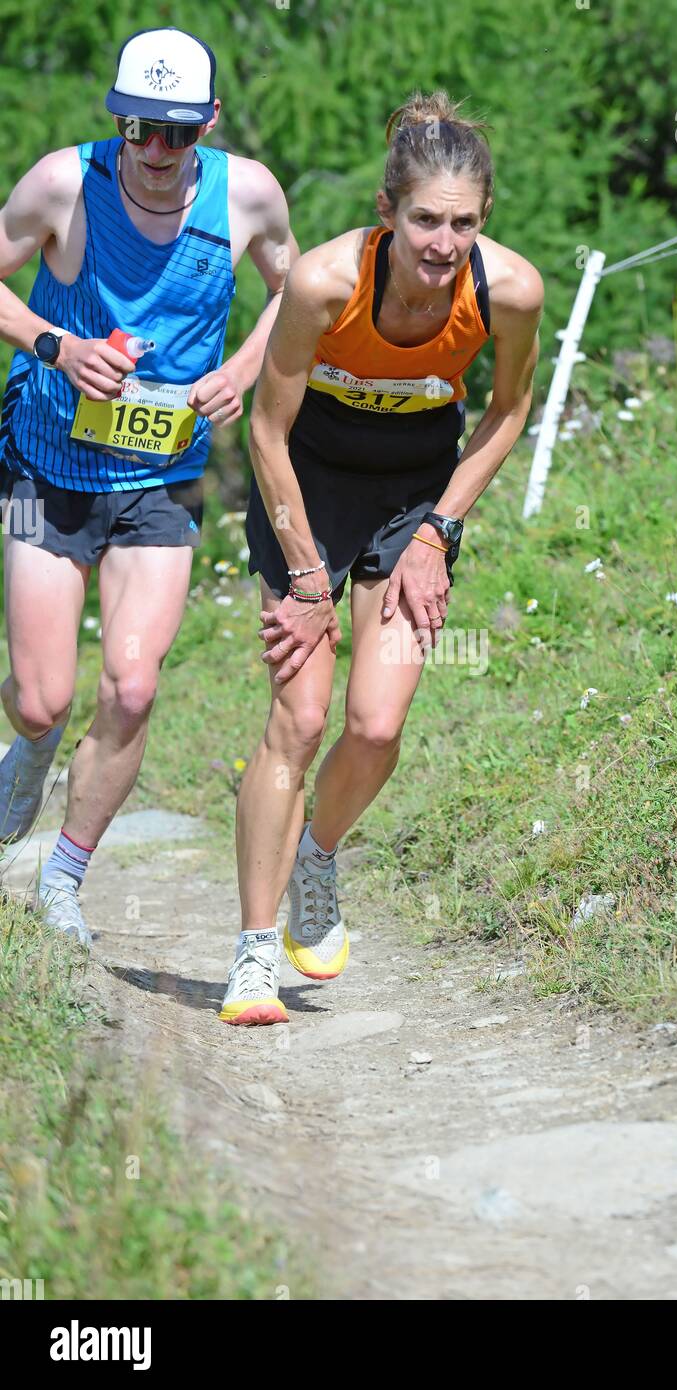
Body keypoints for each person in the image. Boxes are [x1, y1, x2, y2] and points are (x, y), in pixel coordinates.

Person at [220, 90, 543, 1025]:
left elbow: (507, 410)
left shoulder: (508, 290)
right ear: (386, 213)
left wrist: (439, 531)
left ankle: (316, 859)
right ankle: (250, 959)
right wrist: (308, 576)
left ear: (484, 221)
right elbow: (268, 434)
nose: (443, 244)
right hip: (309, 489)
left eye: (464, 223)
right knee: (302, 716)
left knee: (374, 726)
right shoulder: (324, 284)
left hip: (414, 495)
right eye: (425, 221)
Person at [0, 27, 296, 947]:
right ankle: (34, 749)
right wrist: (56, 344)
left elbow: (303, 288)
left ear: (208, 121)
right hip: (45, 469)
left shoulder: (247, 193)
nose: (158, 153)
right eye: (139, 131)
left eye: (176, 132)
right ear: (116, 124)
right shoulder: (61, 182)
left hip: (163, 479)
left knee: (131, 689)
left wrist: (246, 364)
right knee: (44, 697)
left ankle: (63, 879)